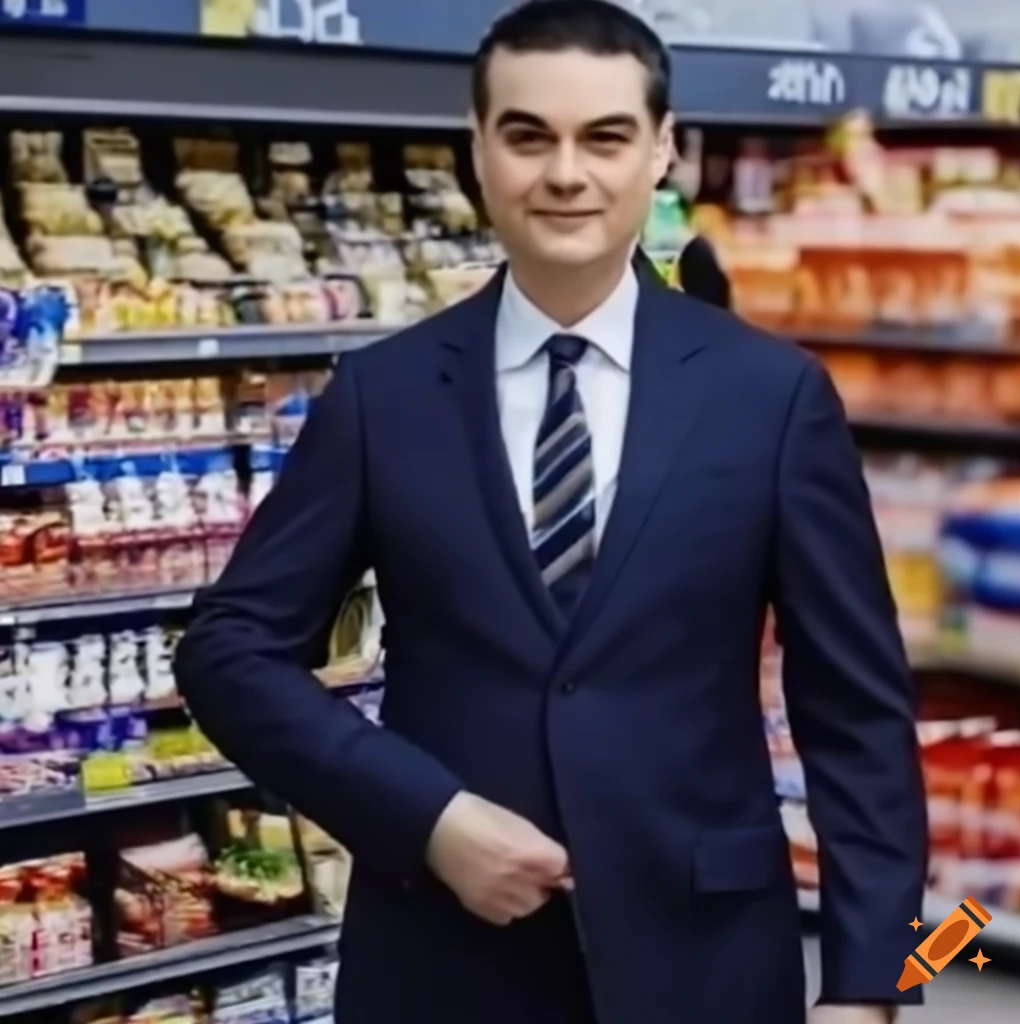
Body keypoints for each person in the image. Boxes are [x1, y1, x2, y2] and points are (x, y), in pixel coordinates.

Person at [174, 3, 926, 1023]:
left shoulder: (773, 396)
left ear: (661, 150)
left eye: (605, 137)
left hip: (706, 966)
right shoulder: (382, 396)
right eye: (528, 136)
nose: (566, 174)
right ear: (478, 151)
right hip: (442, 964)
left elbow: (859, 711)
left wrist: (878, 987)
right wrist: (426, 816)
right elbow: (228, 650)